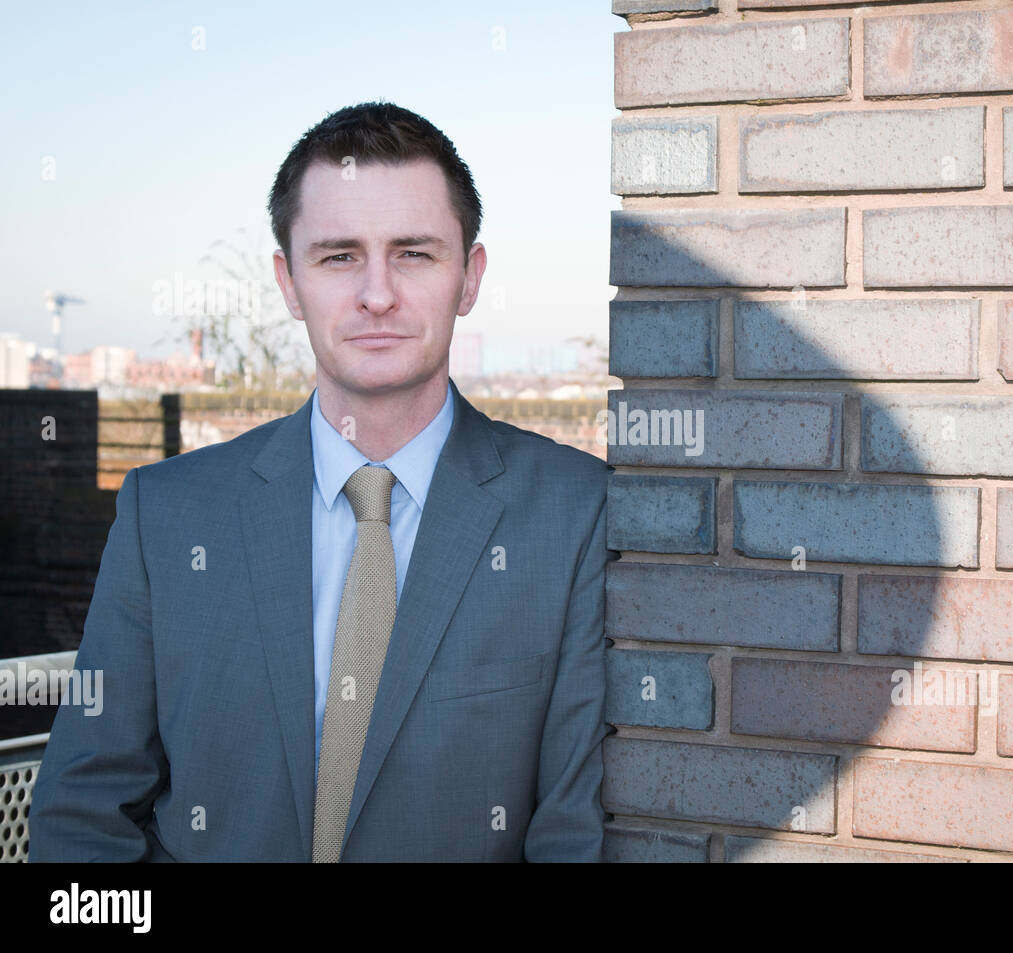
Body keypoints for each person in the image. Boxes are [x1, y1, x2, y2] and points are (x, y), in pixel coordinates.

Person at [29, 101, 613, 862]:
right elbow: (81, 819)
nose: (377, 294)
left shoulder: (574, 513)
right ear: (289, 281)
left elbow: (572, 839)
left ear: (469, 278)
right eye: (339, 256)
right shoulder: (164, 515)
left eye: (414, 253)